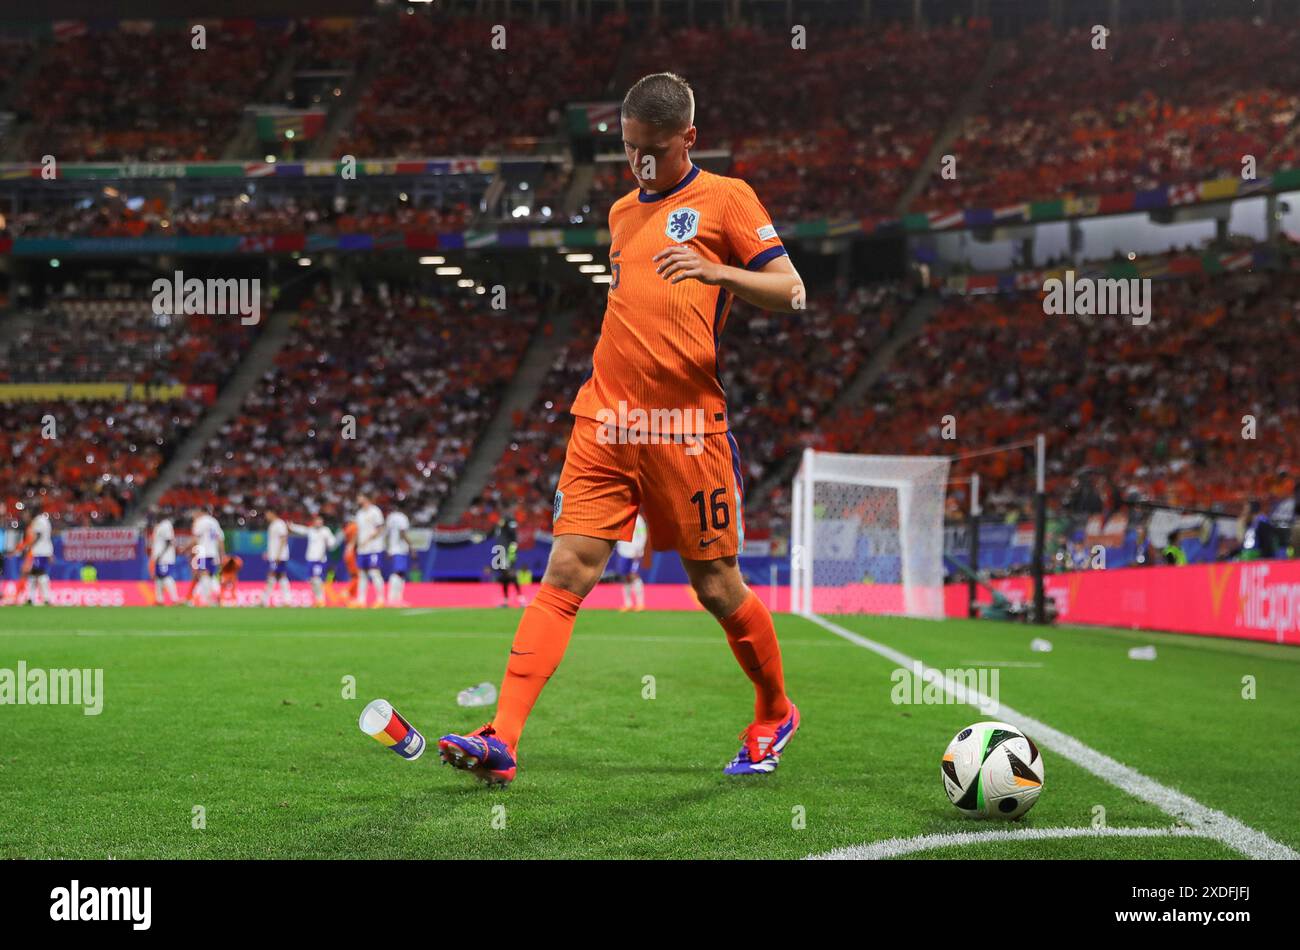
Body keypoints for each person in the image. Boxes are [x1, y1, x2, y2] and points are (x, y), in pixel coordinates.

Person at [438, 73, 804, 787]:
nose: (640, 164)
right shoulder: (618, 213)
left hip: (686, 427)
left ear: (690, 139)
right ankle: (503, 737)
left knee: (715, 585)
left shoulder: (727, 198)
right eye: (630, 149)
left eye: (655, 151)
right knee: (565, 572)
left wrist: (716, 269)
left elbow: (791, 289)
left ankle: (774, 711)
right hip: (605, 418)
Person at [291, 514, 340, 607]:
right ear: (314, 522)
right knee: (312, 580)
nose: (319, 522)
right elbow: (302, 530)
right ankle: (318, 600)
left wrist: (328, 542)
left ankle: (321, 600)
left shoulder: (325, 531)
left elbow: (332, 543)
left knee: (317, 579)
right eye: (317, 520)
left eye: (320, 521)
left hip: (320, 559)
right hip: (310, 559)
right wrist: (292, 526)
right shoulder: (311, 531)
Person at [352, 493, 385, 608]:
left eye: (359, 497)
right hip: (362, 549)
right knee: (362, 574)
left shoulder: (375, 511)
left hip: (374, 547)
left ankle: (380, 599)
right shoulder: (359, 513)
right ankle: (361, 600)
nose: (357, 499)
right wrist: (354, 544)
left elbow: (380, 528)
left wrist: (368, 539)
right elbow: (358, 531)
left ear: (365, 498)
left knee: (374, 572)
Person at [615, 513, 648, 612]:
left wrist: (639, 549)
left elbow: (643, 534)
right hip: (623, 551)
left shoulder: (638, 519)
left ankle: (640, 603)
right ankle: (628, 604)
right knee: (625, 577)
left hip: (634, 551)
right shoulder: (621, 517)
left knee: (634, 575)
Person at [384, 505, 412, 608]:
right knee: (398, 573)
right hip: (400, 549)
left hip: (393, 548)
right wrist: (411, 546)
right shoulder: (403, 517)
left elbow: (386, 535)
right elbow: (402, 533)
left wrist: (387, 549)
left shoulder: (390, 517)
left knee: (399, 573)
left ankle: (396, 599)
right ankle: (394, 599)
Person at [149, 513, 179, 605]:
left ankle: (175, 599)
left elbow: (168, 541)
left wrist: (160, 555)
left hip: (164, 557)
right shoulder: (160, 526)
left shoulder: (166, 525)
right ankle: (159, 600)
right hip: (159, 556)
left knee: (165, 576)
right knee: (159, 577)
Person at [263, 510, 291, 606]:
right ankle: (287, 600)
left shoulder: (279, 524)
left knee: (273, 575)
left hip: (279, 556)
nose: (266, 516)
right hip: (274, 555)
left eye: (267, 514)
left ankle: (265, 600)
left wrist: (278, 554)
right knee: (279, 576)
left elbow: (283, 538)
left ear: (272, 513)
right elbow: (273, 541)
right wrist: (269, 552)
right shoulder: (273, 524)